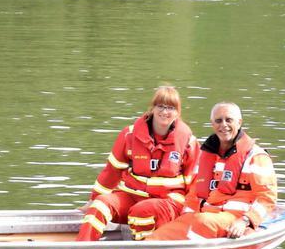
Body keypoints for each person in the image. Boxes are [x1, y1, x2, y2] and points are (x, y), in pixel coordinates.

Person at [77, 86, 199, 241]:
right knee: (100, 205)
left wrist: (191, 212)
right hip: (131, 196)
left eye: (171, 108)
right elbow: (112, 171)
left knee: (142, 211)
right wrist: (94, 198)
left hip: (168, 202)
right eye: (160, 106)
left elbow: (196, 182)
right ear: (153, 108)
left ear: (177, 113)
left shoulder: (188, 142)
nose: (165, 112)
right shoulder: (130, 135)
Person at [148, 101, 276, 240]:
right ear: (212, 124)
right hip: (202, 216)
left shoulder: (255, 157)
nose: (223, 125)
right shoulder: (205, 156)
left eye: (229, 120)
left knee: (202, 222)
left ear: (239, 122)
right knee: (161, 234)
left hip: (235, 219)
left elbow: (266, 198)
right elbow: (193, 194)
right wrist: (185, 217)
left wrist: (245, 221)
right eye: (218, 121)